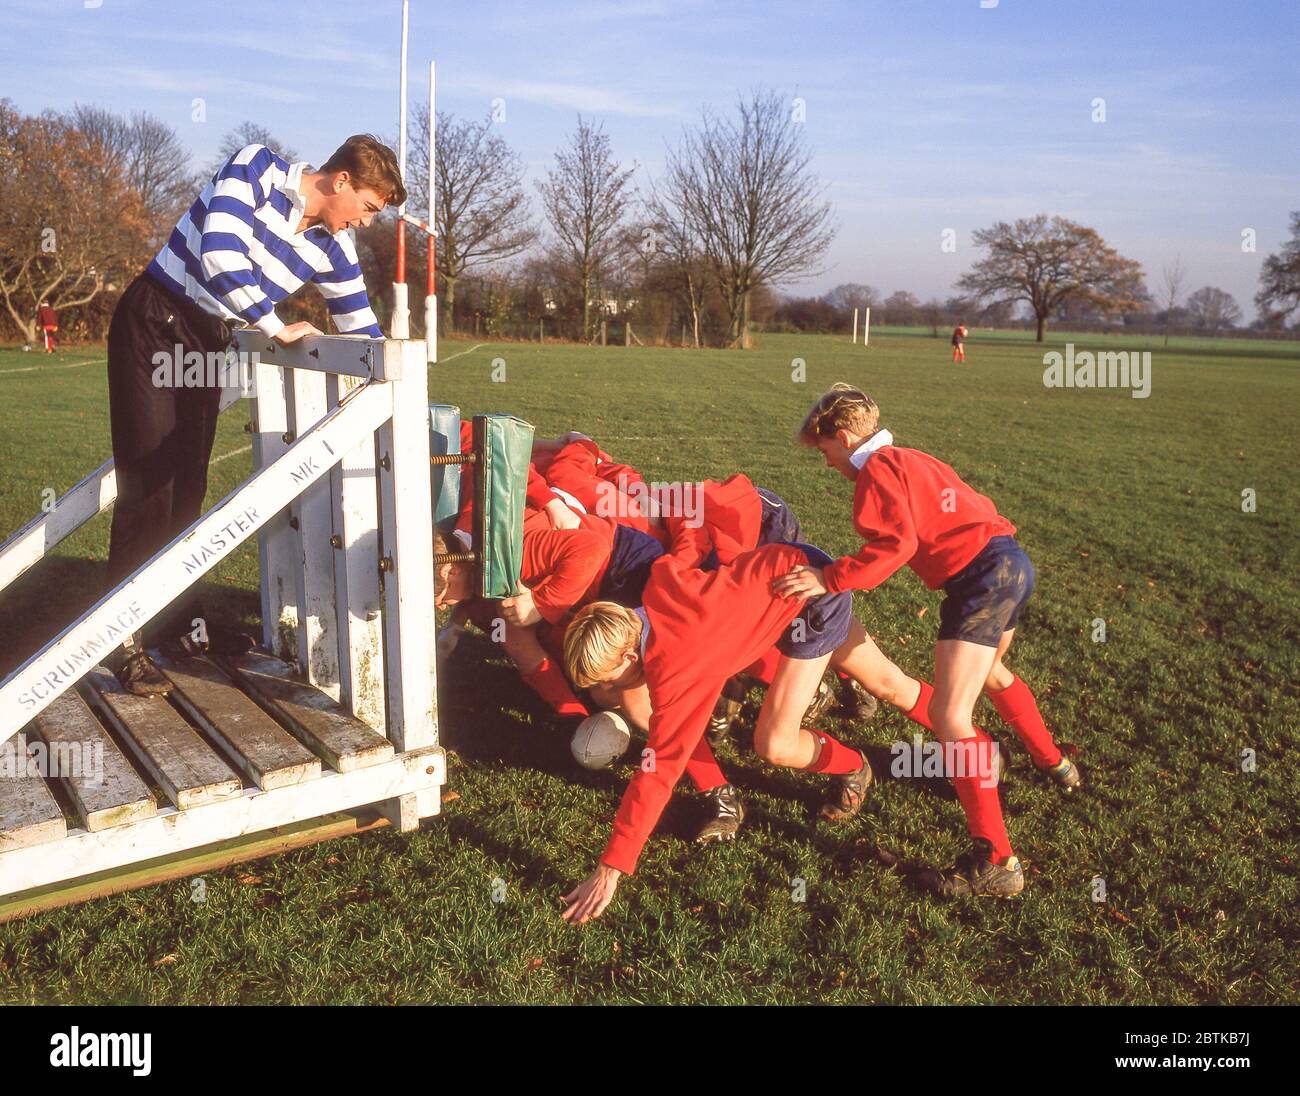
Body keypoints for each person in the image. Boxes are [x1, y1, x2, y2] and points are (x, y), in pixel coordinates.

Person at [103, 135, 405, 697]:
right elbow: (219, 254)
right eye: (367, 207)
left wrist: (397, 387)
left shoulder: (332, 246)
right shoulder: (256, 166)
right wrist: (276, 326)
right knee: (148, 487)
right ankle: (119, 642)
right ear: (341, 181)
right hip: (154, 318)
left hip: (204, 338)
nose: (365, 223)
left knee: (186, 489)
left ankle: (176, 625)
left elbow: (361, 328)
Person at [773, 383, 1081, 898]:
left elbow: (898, 545)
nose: (826, 463)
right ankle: (1055, 762)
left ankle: (998, 861)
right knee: (993, 677)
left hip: (979, 580)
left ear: (845, 437)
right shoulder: (910, 457)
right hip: (1011, 562)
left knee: (950, 718)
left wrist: (830, 579)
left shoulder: (875, 471)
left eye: (825, 452)